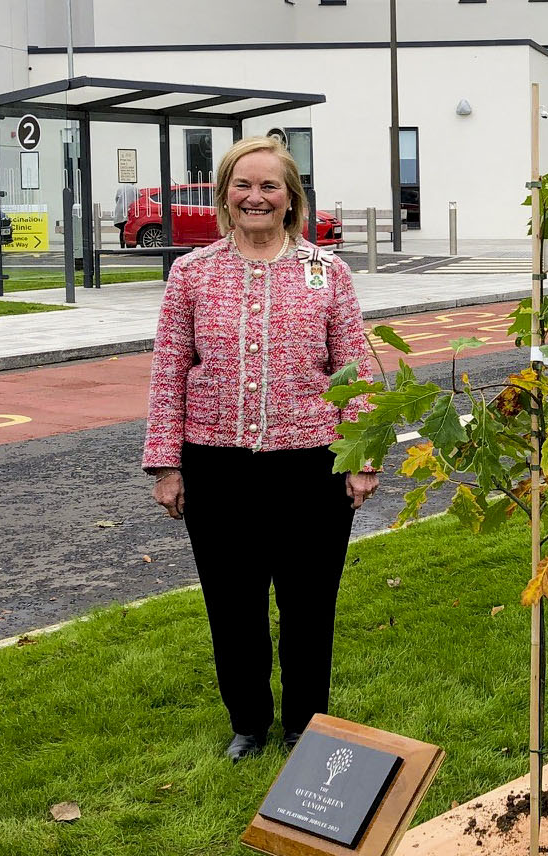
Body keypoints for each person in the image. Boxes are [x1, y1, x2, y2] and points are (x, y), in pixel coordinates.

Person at [144, 136, 379, 760]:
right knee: (233, 601)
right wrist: (167, 463)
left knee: (308, 602)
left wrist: (362, 459)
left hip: (312, 465)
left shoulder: (327, 273)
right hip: (217, 465)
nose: (255, 197)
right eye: (242, 186)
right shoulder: (191, 274)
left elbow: (353, 368)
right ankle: (248, 721)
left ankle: (307, 722)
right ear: (224, 196)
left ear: (290, 197)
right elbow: (170, 371)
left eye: (269, 186)